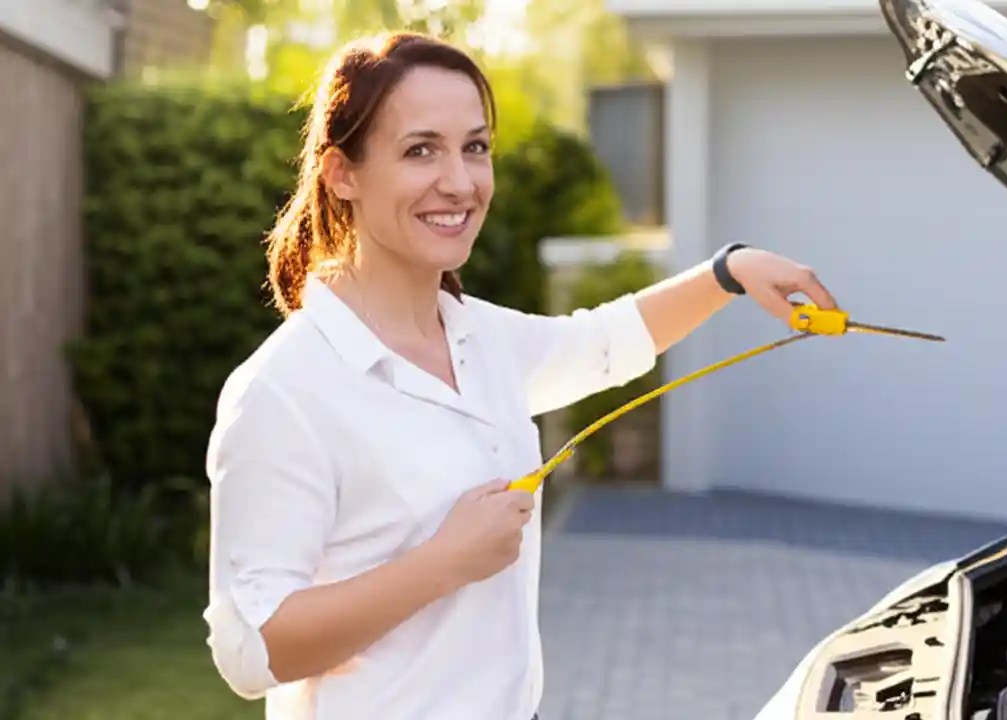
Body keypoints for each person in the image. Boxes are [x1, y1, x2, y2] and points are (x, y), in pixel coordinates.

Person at [203, 30, 839, 720]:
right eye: (421, 149)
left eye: (475, 147)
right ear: (341, 173)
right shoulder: (282, 392)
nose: (460, 181)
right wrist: (441, 563)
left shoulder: (477, 337)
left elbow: (601, 343)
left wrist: (728, 273)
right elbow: (252, 651)